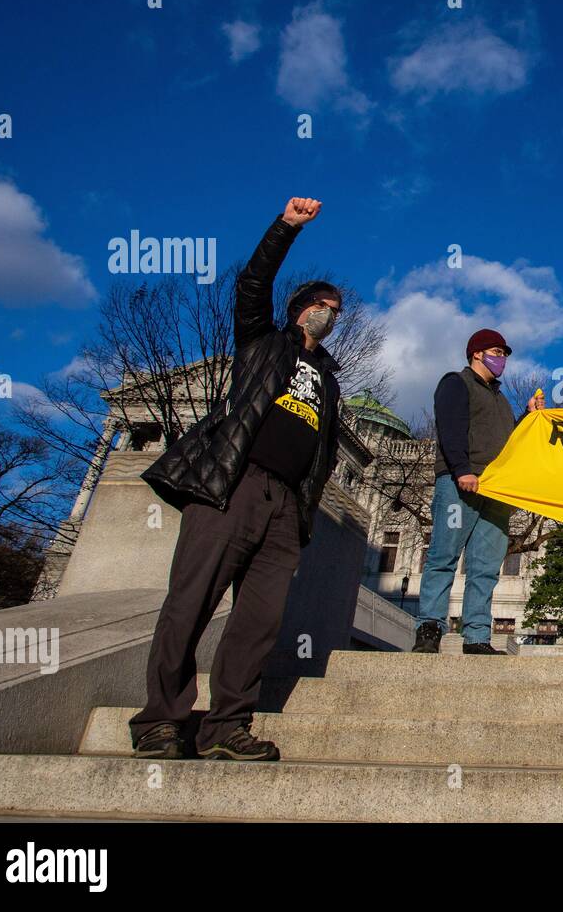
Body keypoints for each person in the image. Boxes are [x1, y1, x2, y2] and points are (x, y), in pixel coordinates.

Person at [130, 197, 341, 761]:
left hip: (286, 507)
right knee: (190, 603)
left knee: (258, 622)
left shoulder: (329, 380)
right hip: (234, 485)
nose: (329, 311)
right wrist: (286, 227)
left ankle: (227, 724)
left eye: (335, 308)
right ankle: (161, 719)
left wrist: (302, 514)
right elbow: (252, 283)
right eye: (321, 303)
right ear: (300, 309)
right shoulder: (262, 343)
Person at [412, 329, 543, 655]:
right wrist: (462, 469)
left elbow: (508, 442)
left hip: (496, 490)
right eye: (497, 352)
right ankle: (429, 627)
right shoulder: (456, 382)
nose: (502, 360)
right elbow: (450, 427)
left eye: (504, 355)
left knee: (485, 566)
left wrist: (528, 415)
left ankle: (476, 635)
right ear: (476, 353)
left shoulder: (500, 400)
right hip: (461, 483)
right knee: (443, 556)